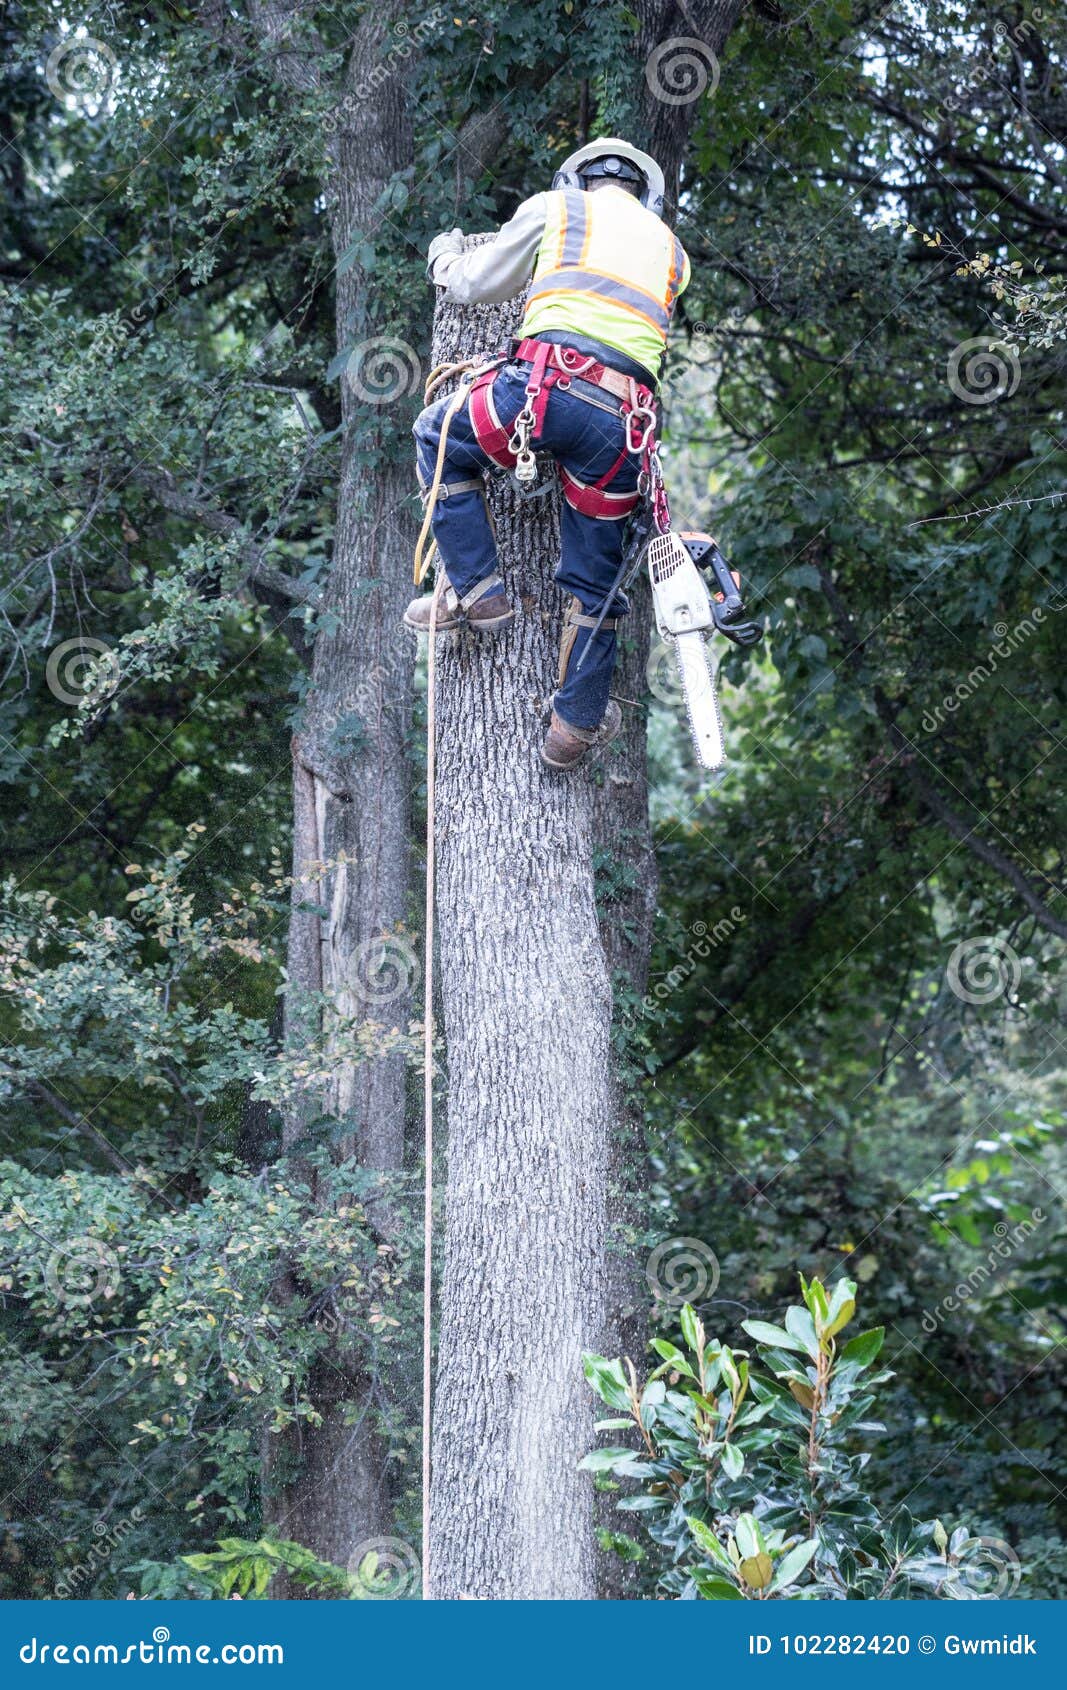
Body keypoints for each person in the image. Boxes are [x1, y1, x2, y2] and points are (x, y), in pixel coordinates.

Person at [406, 138, 690, 770]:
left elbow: (476, 284)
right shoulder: (672, 251)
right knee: (597, 581)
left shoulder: (557, 209)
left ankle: (476, 592)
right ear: (645, 194)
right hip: (622, 428)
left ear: (579, 180)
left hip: (542, 392)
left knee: (437, 434)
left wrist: (445, 258)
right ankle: (572, 729)